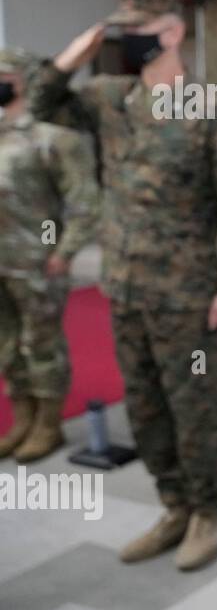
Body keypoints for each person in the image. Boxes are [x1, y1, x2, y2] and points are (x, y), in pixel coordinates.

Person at [29, 0, 217, 572]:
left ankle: (208, 512)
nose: (129, 40)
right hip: (126, 285)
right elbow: (37, 101)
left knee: (194, 408)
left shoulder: (214, 105)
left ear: (173, 32)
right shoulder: (109, 97)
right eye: (121, 30)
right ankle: (173, 504)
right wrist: (73, 56)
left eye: (139, 29)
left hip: (189, 291)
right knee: (147, 408)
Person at [0, 47, 100, 461]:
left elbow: (85, 202)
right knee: (6, 342)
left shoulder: (54, 139)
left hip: (37, 261)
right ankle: (22, 417)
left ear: (23, 80)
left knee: (41, 343)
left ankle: (48, 423)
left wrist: (65, 250)